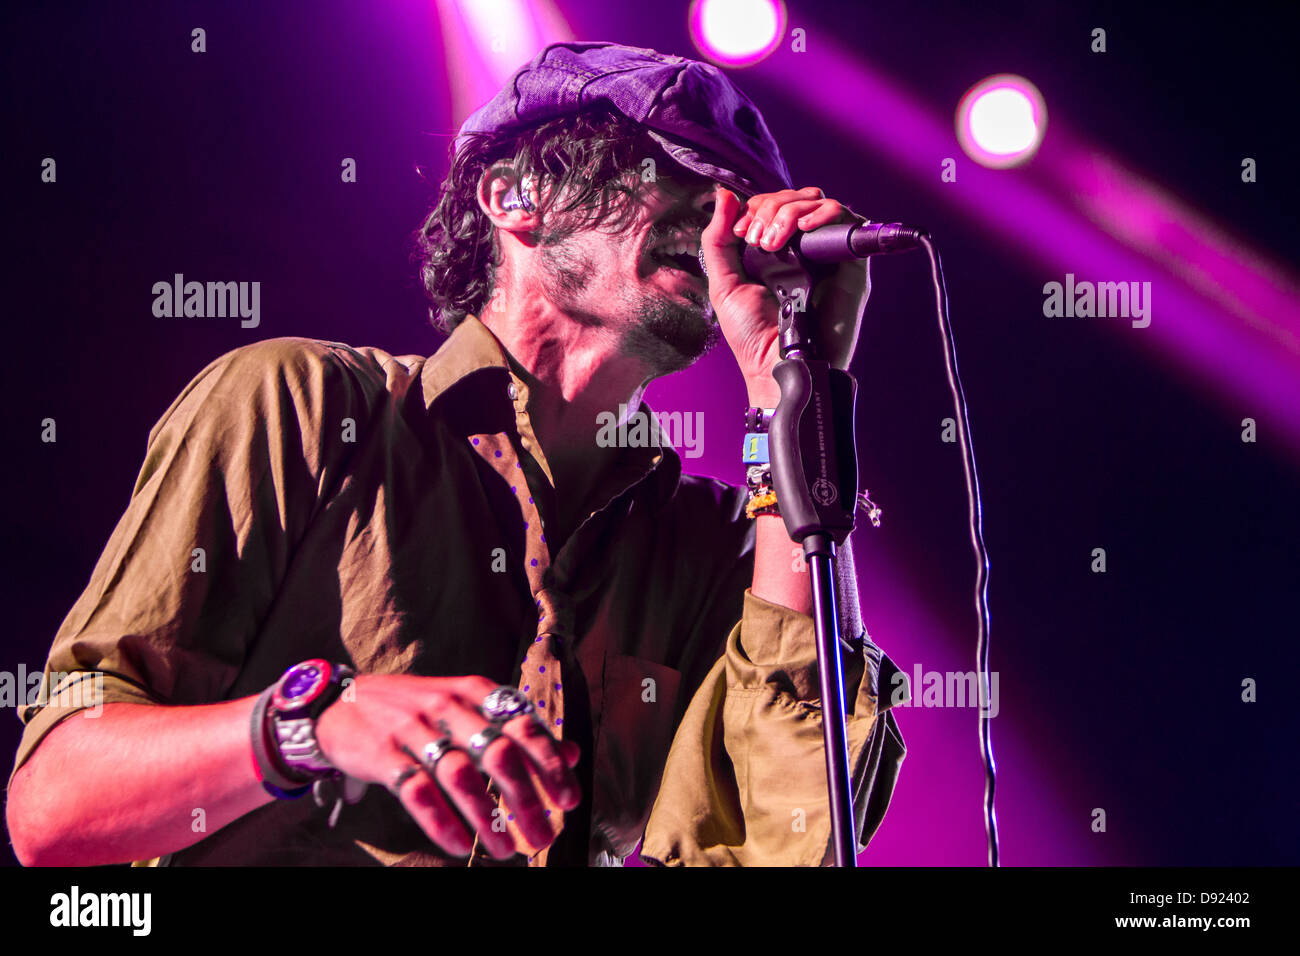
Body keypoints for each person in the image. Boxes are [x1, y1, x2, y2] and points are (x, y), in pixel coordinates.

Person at [5, 41, 905, 867]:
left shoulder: (713, 541)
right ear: (514, 197)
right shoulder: (304, 408)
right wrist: (313, 724)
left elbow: (787, 838)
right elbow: (54, 807)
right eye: (671, 176)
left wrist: (801, 381)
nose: (722, 222)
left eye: (740, 202)